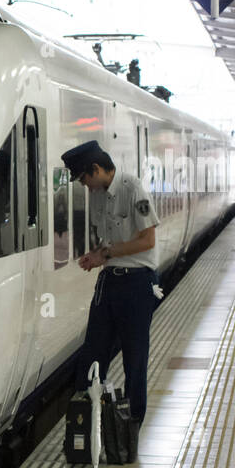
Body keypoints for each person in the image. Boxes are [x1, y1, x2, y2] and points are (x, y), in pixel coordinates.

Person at [62, 139, 161, 444]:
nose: (84, 185)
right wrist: (97, 255)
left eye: (84, 178)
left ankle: (129, 432)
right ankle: (88, 428)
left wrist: (105, 254)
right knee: (92, 354)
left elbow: (147, 240)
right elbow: (111, 246)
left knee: (134, 359)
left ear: (96, 169)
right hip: (109, 283)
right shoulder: (98, 196)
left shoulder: (133, 189)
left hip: (137, 285)